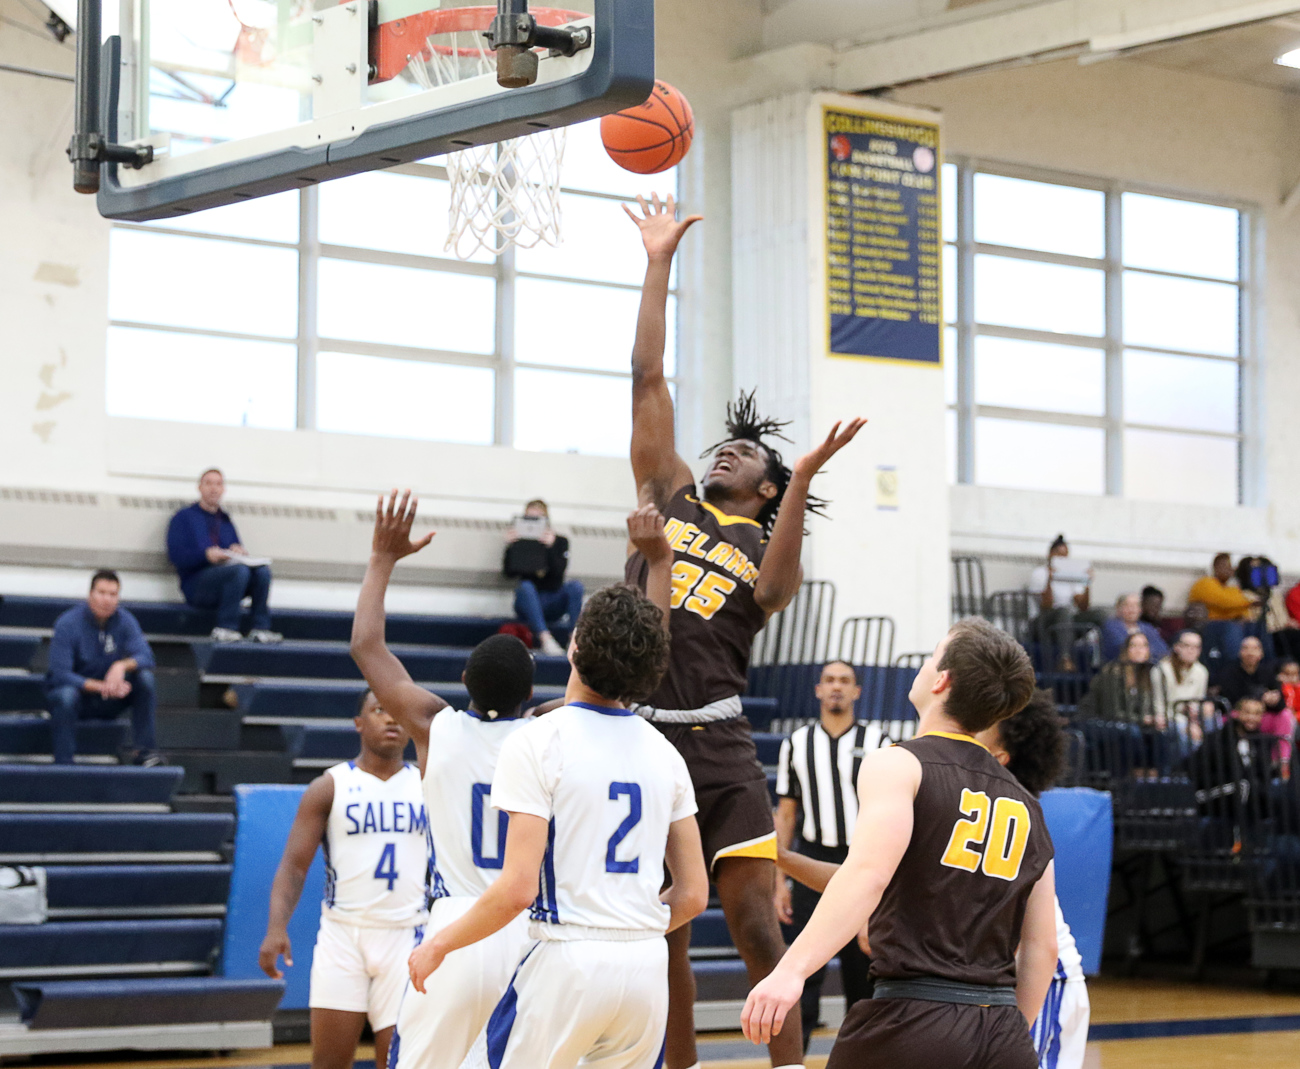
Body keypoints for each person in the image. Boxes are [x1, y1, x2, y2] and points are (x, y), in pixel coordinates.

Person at [623, 192, 866, 1069]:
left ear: (766, 488)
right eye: (724, 444)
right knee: (665, 936)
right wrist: (658, 265)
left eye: (747, 453)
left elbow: (777, 587)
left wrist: (800, 479)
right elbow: (649, 382)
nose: (727, 449)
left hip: (721, 745)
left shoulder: (767, 544)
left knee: (758, 924)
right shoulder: (671, 493)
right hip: (642, 735)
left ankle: (787, 1065)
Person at [407, 531, 711, 1069]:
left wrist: (438, 945)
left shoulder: (539, 739)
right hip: (646, 964)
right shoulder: (665, 753)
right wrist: (626, 927)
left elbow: (518, 888)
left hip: (567, 961)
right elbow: (691, 895)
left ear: (575, 646)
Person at [741, 619, 1058, 1069]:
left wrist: (791, 970)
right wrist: (1009, 1035)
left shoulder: (899, 763)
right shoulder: (1029, 805)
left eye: (933, 656)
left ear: (942, 680)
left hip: (913, 1017)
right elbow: (1042, 948)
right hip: (1004, 1030)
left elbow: (867, 875)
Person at [350, 489, 540, 1069]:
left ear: (462, 680)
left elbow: (366, 645)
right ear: (530, 695)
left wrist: (383, 558)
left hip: (454, 923)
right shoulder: (548, 735)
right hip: (528, 931)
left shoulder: (435, 727)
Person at [258, 691, 426, 1069]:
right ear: (359, 723)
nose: (392, 719)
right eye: (379, 710)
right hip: (342, 935)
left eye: (398, 710)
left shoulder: (427, 784)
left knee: (399, 1062)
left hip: (408, 936)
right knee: (329, 1062)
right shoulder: (329, 787)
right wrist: (275, 927)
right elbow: (293, 866)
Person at [773, 661, 877, 1053]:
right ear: (817, 690)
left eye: (845, 681)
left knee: (862, 974)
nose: (836, 687)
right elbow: (786, 814)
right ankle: (792, 1059)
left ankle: (864, 1059)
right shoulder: (796, 743)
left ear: (856, 692)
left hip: (861, 860)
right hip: (810, 860)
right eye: (830, 680)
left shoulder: (879, 742)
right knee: (804, 971)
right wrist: (778, 881)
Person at [44, 570, 159, 766]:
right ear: (90, 594)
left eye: (113, 594)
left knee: (145, 679)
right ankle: (64, 764)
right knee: (65, 696)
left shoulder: (125, 620)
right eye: (102, 593)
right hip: (77, 696)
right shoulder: (67, 623)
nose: (107, 599)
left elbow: (147, 656)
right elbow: (60, 674)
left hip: (109, 698)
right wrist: (101, 686)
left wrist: (121, 665)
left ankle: (144, 753)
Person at [166, 468, 281, 644]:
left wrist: (238, 551)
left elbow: (235, 551)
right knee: (238, 572)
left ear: (223, 489)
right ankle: (226, 626)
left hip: (227, 579)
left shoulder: (225, 520)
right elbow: (176, 556)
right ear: (200, 487)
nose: (214, 489)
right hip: (197, 584)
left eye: (218, 484)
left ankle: (261, 627)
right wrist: (205, 556)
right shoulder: (184, 518)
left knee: (262, 572)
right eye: (209, 483)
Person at [504, 499, 583, 656]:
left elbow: (559, 573)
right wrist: (511, 548)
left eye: (538, 519)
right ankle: (545, 638)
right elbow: (508, 573)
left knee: (576, 586)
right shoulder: (520, 541)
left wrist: (551, 547)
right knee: (525, 587)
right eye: (528, 519)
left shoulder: (560, 541)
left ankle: (574, 639)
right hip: (528, 601)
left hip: (552, 598)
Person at [1028, 536, 1107, 645]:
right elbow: (1046, 606)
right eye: (1059, 555)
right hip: (1043, 623)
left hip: (1067, 622)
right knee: (1063, 611)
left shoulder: (1069, 575)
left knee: (1100, 614)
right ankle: (1065, 658)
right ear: (1050, 554)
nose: (1062, 559)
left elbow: (1083, 607)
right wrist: (1050, 580)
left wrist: (1086, 583)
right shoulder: (1040, 573)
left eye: (1065, 556)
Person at [1188, 553, 1261, 663]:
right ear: (1216, 567)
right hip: (1208, 625)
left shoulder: (1232, 589)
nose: (1230, 570)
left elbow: (1243, 611)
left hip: (1229, 624)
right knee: (1232, 627)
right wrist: (1248, 602)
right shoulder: (1205, 583)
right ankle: (1235, 665)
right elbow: (1224, 602)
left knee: (1255, 625)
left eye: (1230, 567)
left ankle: (1260, 665)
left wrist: (1242, 612)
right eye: (1226, 566)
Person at [1156, 630, 1211, 745]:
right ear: (1177, 647)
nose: (1191, 650)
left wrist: (1195, 712)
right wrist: (1187, 723)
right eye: (1187, 646)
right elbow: (1159, 706)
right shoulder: (1162, 670)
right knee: (1189, 735)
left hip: (1190, 717)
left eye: (1196, 647)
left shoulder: (1201, 671)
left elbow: (1198, 700)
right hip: (1167, 718)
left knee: (1212, 719)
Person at [1214, 636, 1282, 710]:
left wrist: (1274, 699)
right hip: (1238, 713)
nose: (1250, 653)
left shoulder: (1268, 672)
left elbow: (1278, 695)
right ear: (1239, 652)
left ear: (1262, 653)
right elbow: (1233, 699)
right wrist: (1261, 697)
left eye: (1255, 649)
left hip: (1263, 713)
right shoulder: (1228, 672)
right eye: (1246, 648)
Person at [1100, 593, 1169, 664]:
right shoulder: (1110, 627)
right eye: (1127, 605)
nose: (1132, 609)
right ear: (1118, 608)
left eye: (1136, 606)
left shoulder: (1148, 628)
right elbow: (1124, 649)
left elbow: (1163, 650)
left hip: (1148, 668)